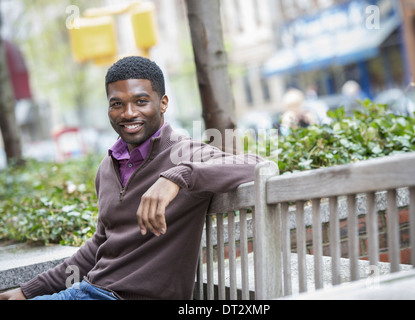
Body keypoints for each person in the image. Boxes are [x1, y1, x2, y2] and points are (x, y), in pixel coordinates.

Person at [0, 56, 262, 300]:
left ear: (163, 103)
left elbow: (258, 164)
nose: (128, 113)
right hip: (88, 290)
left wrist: (178, 176)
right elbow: (100, 246)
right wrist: (26, 292)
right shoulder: (108, 165)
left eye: (140, 101)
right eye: (117, 104)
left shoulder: (184, 152)